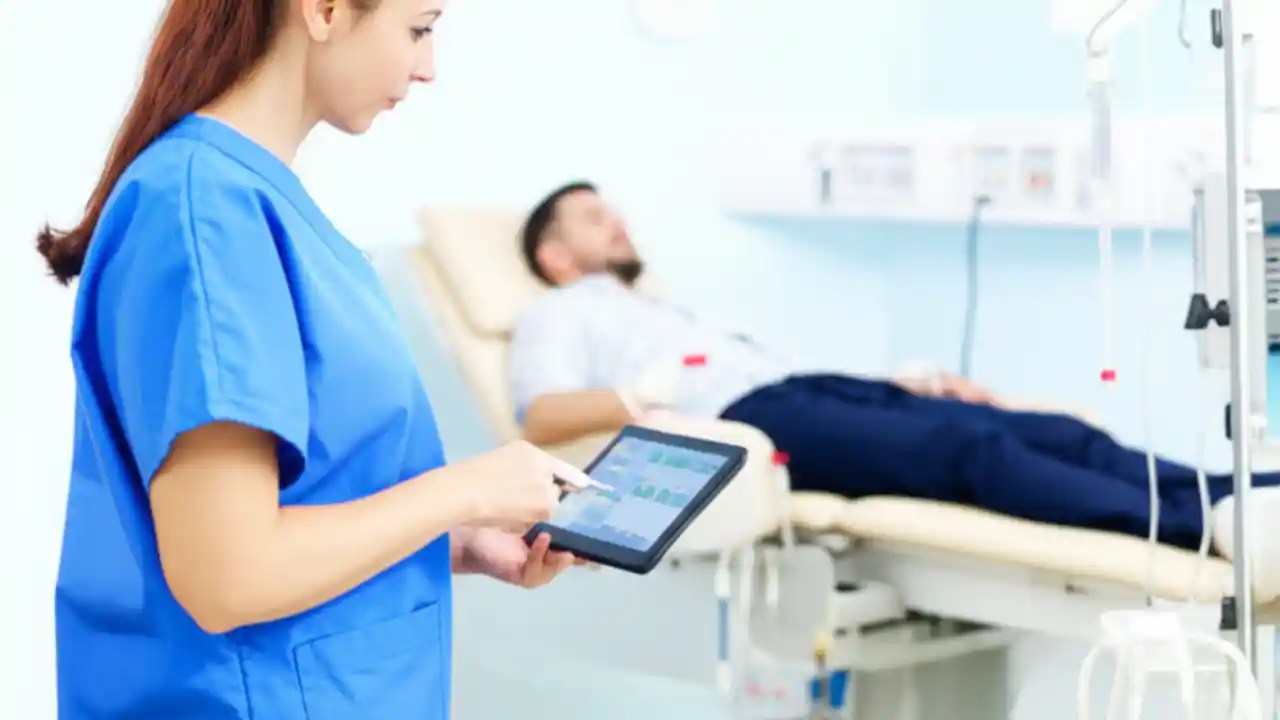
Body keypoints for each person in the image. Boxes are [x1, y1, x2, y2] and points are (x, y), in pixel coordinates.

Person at [39, 2, 597, 718]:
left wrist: (454, 539)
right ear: (325, 10)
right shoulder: (205, 209)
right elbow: (228, 576)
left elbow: (301, 505)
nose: (428, 68)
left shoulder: (245, 200)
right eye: (419, 29)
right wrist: (469, 489)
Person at [508, 180, 1280, 553]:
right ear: (553, 255)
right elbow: (537, 419)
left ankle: (1244, 496)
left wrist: (899, 386)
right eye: (592, 218)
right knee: (974, 453)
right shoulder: (558, 312)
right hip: (755, 420)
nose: (618, 221)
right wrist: (641, 395)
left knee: (1051, 430)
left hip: (813, 389)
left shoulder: (665, 307)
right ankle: (1195, 530)